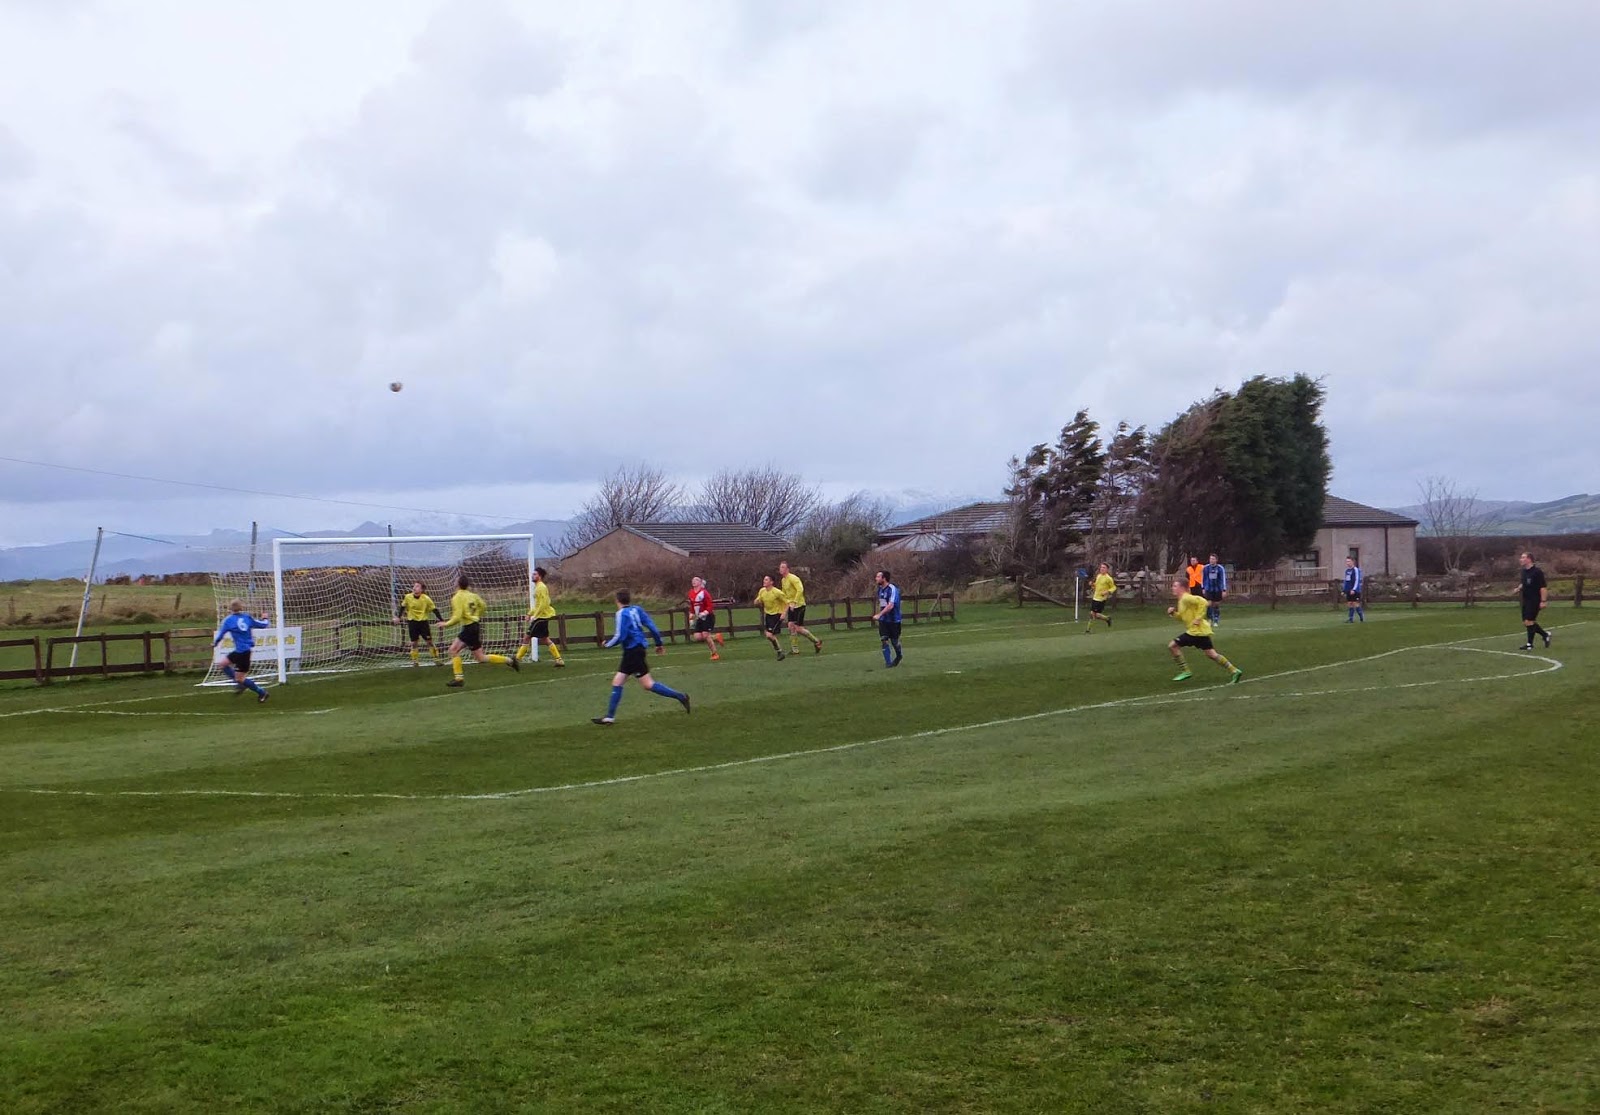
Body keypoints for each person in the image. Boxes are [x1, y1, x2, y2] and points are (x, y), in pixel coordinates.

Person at [592, 589, 690, 724]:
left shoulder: (621, 614)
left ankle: (681, 696)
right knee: (618, 681)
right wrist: (658, 643)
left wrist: (607, 645)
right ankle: (609, 717)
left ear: (617, 601)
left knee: (647, 684)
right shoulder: (637, 609)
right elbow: (652, 626)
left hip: (632, 651)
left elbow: (620, 635)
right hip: (637, 649)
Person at [439, 573, 519, 688]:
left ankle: (459, 678)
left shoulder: (457, 597)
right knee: (481, 657)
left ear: (457, 584)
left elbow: (457, 617)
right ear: (467, 585)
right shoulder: (473, 596)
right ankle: (510, 661)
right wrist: (477, 615)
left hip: (469, 627)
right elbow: (483, 606)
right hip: (475, 626)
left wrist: (445, 624)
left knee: (453, 650)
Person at [1167, 578, 1243, 684]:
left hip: (1195, 632)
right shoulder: (1181, 601)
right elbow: (1183, 618)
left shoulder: (1186, 598)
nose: (1173, 588)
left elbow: (1203, 602)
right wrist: (1174, 613)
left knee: (1172, 646)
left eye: (1175, 586)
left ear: (1182, 588)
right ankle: (1234, 670)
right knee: (1212, 654)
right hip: (1201, 631)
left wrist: (1198, 618)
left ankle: (1186, 671)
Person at [213, 599, 272, 703]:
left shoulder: (228, 620)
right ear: (241, 607)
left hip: (242, 653)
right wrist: (265, 618)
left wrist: (215, 643)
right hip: (243, 652)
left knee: (240, 678)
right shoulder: (247, 617)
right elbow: (263, 624)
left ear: (230, 609)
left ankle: (262, 692)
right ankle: (240, 683)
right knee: (222, 664)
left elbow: (221, 634)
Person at [515, 567, 565, 667]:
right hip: (541, 616)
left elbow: (543, 603)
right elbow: (538, 605)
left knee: (527, 637)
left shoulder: (541, 587)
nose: (533, 576)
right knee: (545, 639)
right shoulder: (538, 587)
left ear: (540, 576)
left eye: (535, 574)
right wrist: (530, 613)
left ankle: (516, 660)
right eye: (533, 574)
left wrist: (535, 616)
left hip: (541, 618)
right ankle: (559, 660)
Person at [778, 560, 823, 655]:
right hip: (791, 606)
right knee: (790, 626)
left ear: (787, 569)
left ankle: (816, 641)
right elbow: (784, 595)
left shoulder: (793, 578)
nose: (780, 569)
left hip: (799, 605)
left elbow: (800, 589)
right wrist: (785, 607)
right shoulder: (783, 580)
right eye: (780, 567)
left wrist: (794, 601)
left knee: (798, 628)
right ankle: (795, 650)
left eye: (782, 567)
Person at [394, 580, 443, 665]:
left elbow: (434, 609)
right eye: (414, 586)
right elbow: (402, 607)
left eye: (417, 586)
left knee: (429, 642)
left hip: (423, 623)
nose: (414, 588)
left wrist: (441, 619)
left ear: (421, 590)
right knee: (414, 643)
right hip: (412, 623)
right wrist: (398, 617)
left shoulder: (426, 598)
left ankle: (436, 659)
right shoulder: (408, 597)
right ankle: (415, 661)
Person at [1515, 552, 1552, 650]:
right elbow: (1524, 583)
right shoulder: (1523, 571)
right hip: (1526, 599)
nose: (1521, 559)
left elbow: (1543, 587)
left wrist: (1543, 601)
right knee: (1526, 622)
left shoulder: (1537, 572)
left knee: (1529, 621)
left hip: (1535, 600)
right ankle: (1545, 635)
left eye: (1523, 557)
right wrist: (1518, 588)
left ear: (1529, 559)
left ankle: (1529, 645)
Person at [687, 576, 725, 661]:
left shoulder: (704, 593)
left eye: (696, 580)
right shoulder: (691, 593)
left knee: (705, 635)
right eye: (693, 580)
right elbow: (692, 606)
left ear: (700, 583)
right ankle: (716, 637)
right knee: (697, 637)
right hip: (699, 617)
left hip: (708, 616)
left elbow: (710, 606)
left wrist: (705, 612)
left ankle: (714, 653)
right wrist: (691, 615)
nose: (694, 581)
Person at [872, 568, 903, 668]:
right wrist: (880, 615)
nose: (876, 578)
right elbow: (882, 604)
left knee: (894, 642)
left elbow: (890, 605)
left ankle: (899, 655)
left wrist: (879, 614)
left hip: (894, 620)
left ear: (884, 578)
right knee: (884, 640)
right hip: (884, 621)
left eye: (878, 577)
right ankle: (888, 663)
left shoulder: (892, 589)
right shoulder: (880, 590)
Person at [755, 575, 790, 660]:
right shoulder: (762, 591)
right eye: (764, 580)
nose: (764, 581)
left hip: (776, 615)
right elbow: (758, 601)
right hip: (768, 615)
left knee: (769, 635)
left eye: (766, 580)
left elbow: (788, 603)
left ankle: (780, 651)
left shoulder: (777, 592)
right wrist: (756, 602)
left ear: (771, 582)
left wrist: (784, 613)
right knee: (769, 635)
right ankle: (780, 651)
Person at [1086, 562, 1117, 632]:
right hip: (1095, 597)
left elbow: (1113, 587)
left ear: (1107, 569)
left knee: (1092, 613)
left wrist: (1107, 592)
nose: (1102, 569)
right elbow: (1096, 587)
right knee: (1095, 614)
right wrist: (1092, 584)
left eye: (1104, 567)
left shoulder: (1109, 578)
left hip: (1101, 599)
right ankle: (1107, 618)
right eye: (1101, 567)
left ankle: (1088, 629)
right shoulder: (1098, 576)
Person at [1201, 553, 1228, 627]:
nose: (1211, 560)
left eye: (1213, 559)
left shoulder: (1220, 568)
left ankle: (1216, 619)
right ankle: (1210, 619)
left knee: (1216, 604)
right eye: (1210, 559)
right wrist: (1203, 588)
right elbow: (1203, 578)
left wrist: (1224, 590)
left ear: (1216, 560)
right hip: (1208, 589)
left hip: (1217, 589)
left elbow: (1223, 579)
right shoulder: (1205, 568)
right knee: (1208, 604)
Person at [1342, 557, 1365, 623]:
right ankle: (1350, 619)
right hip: (1349, 590)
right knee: (1350, 604)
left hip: (1355, 590)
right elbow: (1346, 581)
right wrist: (1344, 590)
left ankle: (1361, 617)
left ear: (1352, 562)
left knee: (1356, 604)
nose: (1347, 563)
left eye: (1349, 561)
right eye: (1347, 561)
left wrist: (1354, 589)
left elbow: (1357, 580)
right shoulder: (1347, 571)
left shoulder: (1356, 570)